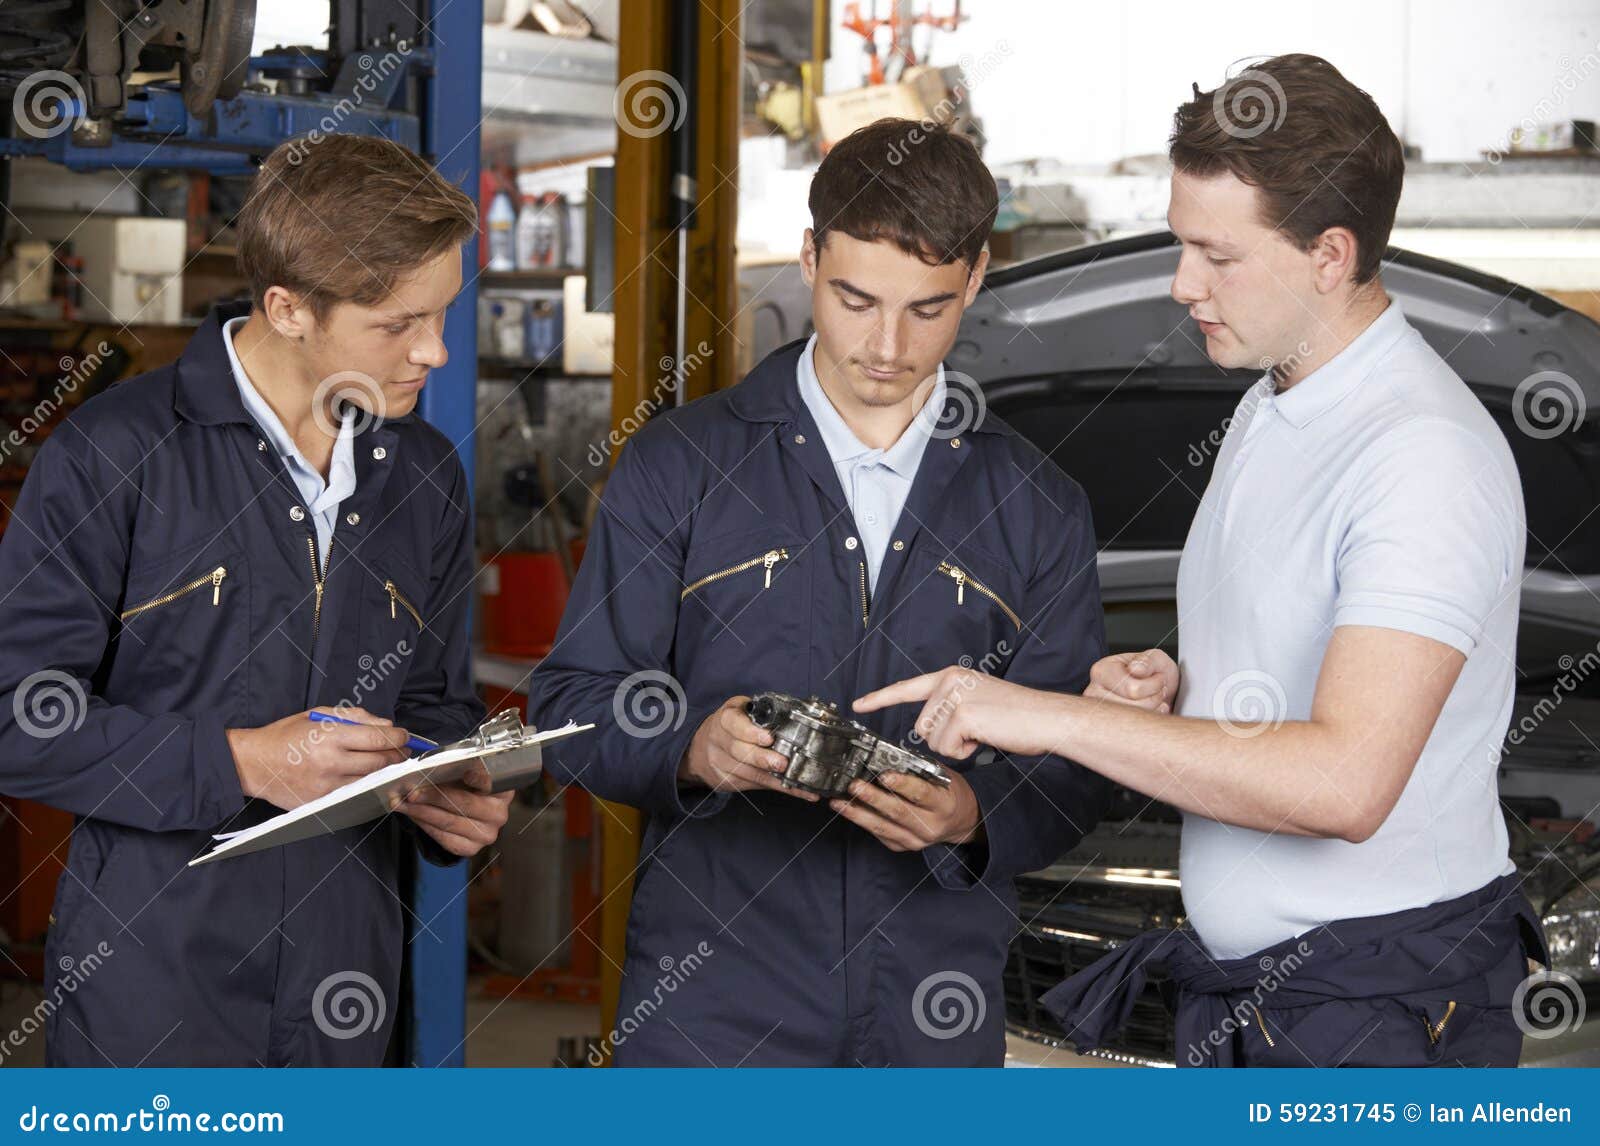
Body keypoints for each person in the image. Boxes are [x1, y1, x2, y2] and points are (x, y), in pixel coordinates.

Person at [856, 55, 1546, 1067]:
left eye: (1213, 255)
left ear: (1328, 255)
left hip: (1382, 1009)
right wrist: (1173, 695)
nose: (1181, 285)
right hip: (1276, 1002)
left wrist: (1045, 713)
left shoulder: (1420, 458)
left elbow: (1345, 785)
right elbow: (1292, 679)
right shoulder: (1268, 409)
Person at [527, 118, 1108, 1066]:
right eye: (854, 297)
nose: (886, 344)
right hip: (711, 1005)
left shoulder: (1038, 506)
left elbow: (1077, 766)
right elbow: (573, 701)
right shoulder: (680, 466)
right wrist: (691, 745)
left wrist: (974, 814)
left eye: (928, 308)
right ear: (808, 256)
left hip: (932, 1007)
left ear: (976, 277)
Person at [0, 133, 511, 1066]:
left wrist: (449, 791)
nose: (434, 350)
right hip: (152, 983)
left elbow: (436, 702)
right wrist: (241, 762)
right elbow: (17, 718)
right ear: (287, 308)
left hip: (347, 983)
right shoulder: (114, 456)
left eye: (441, 313)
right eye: (397, 323)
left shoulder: (425, 478)